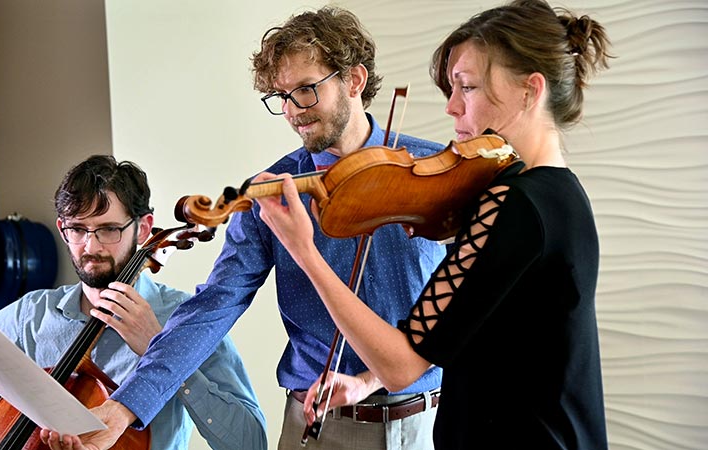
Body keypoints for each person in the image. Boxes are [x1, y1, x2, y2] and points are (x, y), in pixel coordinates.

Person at [40, 6, 447, 450]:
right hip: (317, 427)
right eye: (282, 96)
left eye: (306, 91)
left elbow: (466, 308)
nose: (293, 111)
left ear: (354, 80)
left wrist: (370, 379)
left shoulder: (433, 170)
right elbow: (213, 307)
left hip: (432, 420)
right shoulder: (269, 195)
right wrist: (124, 407)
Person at [256, 0, 613, 448]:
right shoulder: (559, 193)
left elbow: (402, 365)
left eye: (467, 87)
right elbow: (460, 336)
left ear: (529, 90)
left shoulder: (514, 203)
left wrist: (305, 251)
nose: (451, 107)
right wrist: (366, 382)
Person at [0, 155, 267, 450]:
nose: (91, 247)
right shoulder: (33, 314)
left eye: (109, 229)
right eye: (78, 230)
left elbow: (249, 441)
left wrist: (165, 352)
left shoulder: (187, 320)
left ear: (143, 229)